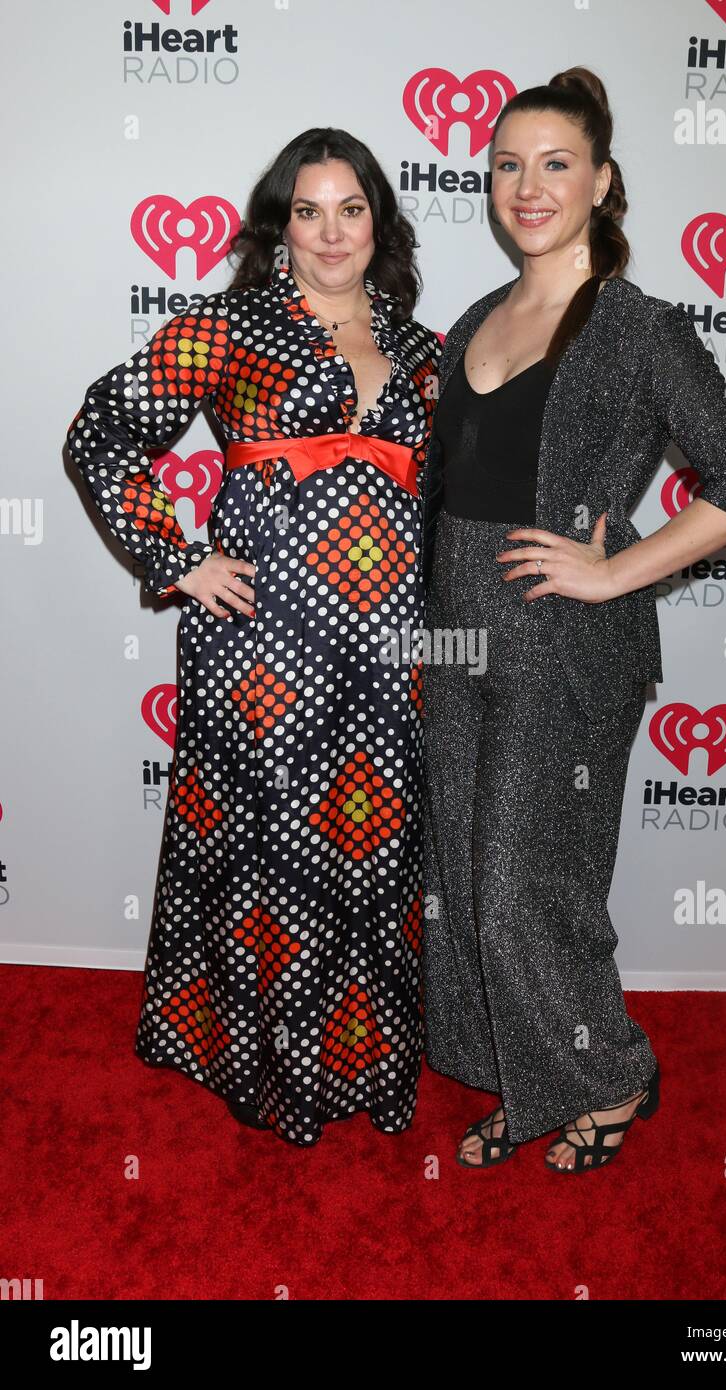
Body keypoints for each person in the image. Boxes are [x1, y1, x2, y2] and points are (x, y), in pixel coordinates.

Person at [419, 68, 726, 1171]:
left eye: (554, 163)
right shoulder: (475, 319)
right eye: (505, 165)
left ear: (602, 181)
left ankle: (608, 1073)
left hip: (561, 647)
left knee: (524, 890)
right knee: (459, 882)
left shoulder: (635, 328)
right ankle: (522, 1081)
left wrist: (611, 572)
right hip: (451, 633)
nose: (525, 186)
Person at [66, 128, 441, 1147]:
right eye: (307, 211)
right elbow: (99, 431)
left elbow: (457, 501)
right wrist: (174, 555)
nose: (331, 231)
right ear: (279, 229)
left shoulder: (421, 348)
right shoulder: (228, 327)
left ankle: (364, 1058)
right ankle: (264, 1066)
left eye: (350, 209)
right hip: (262, 654)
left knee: (373, 860)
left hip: (388, 659)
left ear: (378, 222)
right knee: (271, 859)